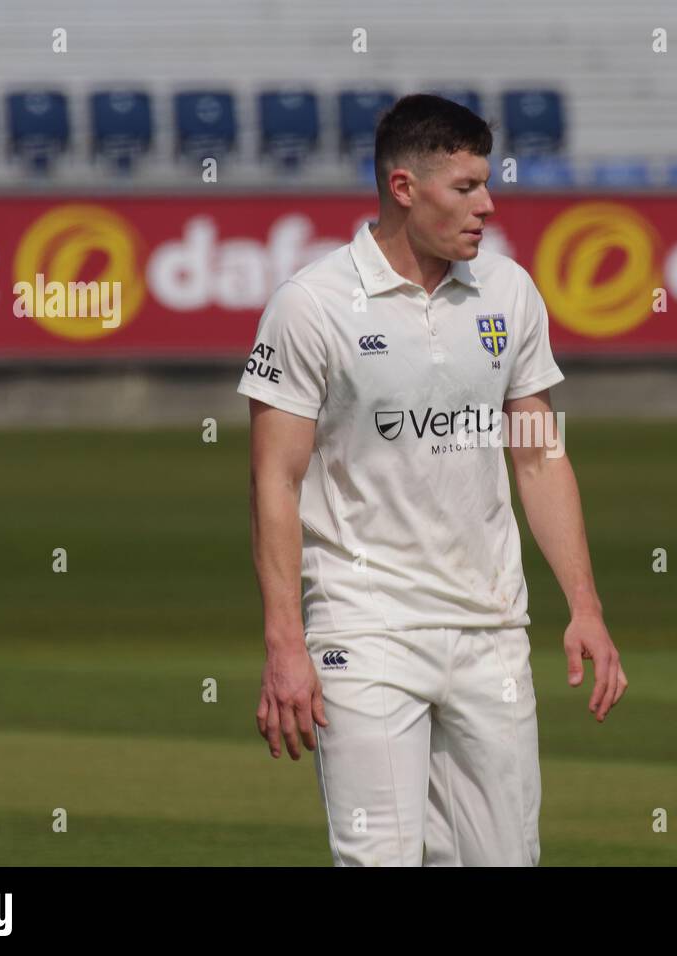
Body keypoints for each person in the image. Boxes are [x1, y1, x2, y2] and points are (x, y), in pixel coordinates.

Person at [239, 93, 626, 866]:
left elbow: (537, 455)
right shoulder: (311, 306)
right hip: (365, 627)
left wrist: (585, 605)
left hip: (491, 629)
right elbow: (273, 483)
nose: (487, 204)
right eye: (465, 187)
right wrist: (286, 644)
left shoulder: (509, 293)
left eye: (487, 184)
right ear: (404, 187)